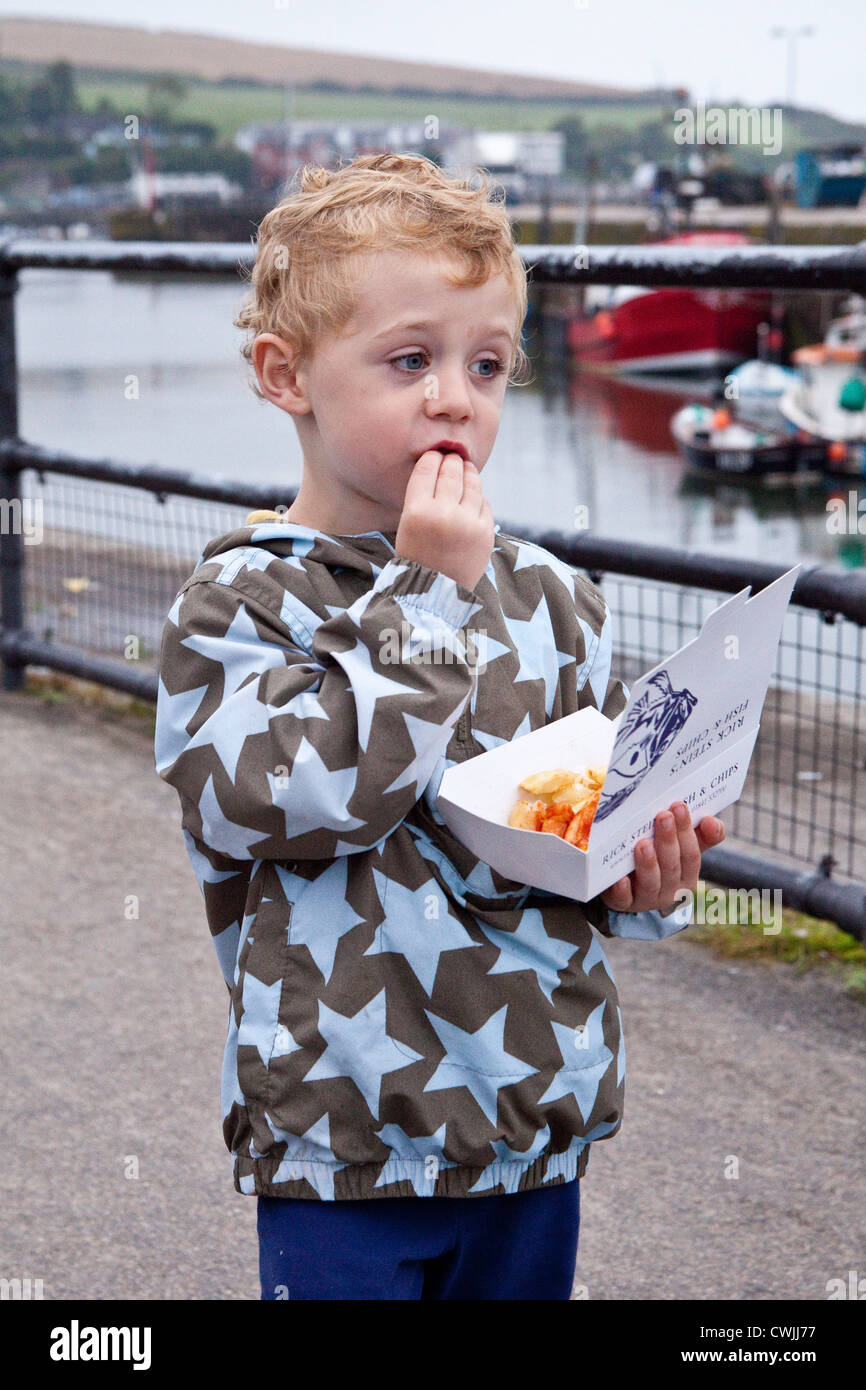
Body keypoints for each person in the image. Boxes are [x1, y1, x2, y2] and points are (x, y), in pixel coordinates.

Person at [154, 152, 726, 1301]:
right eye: (408, 360)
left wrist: (640, 879)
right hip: (344, 1140)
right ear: (286, 375)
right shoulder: (242, 604)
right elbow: (284, 803)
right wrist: (426, 592)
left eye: (486, 364)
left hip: (527, 1118)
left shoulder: (555, 597)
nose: (453, 397)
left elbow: (564, 829)